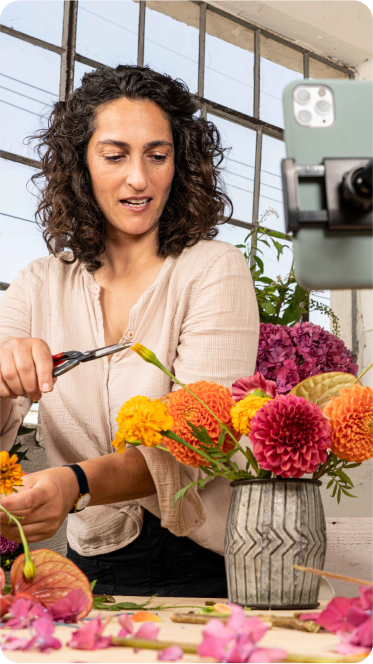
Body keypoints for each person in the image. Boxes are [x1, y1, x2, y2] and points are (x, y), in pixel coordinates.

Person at [0, 65, 259, 597]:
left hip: (200, 558)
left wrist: (74, 483)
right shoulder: (38, 283)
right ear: (81, 165)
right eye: (115, 155)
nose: (138, 178)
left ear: (179, 165)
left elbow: (201, 444)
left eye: (157, 156)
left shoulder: (213, 268)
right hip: (94, 553)